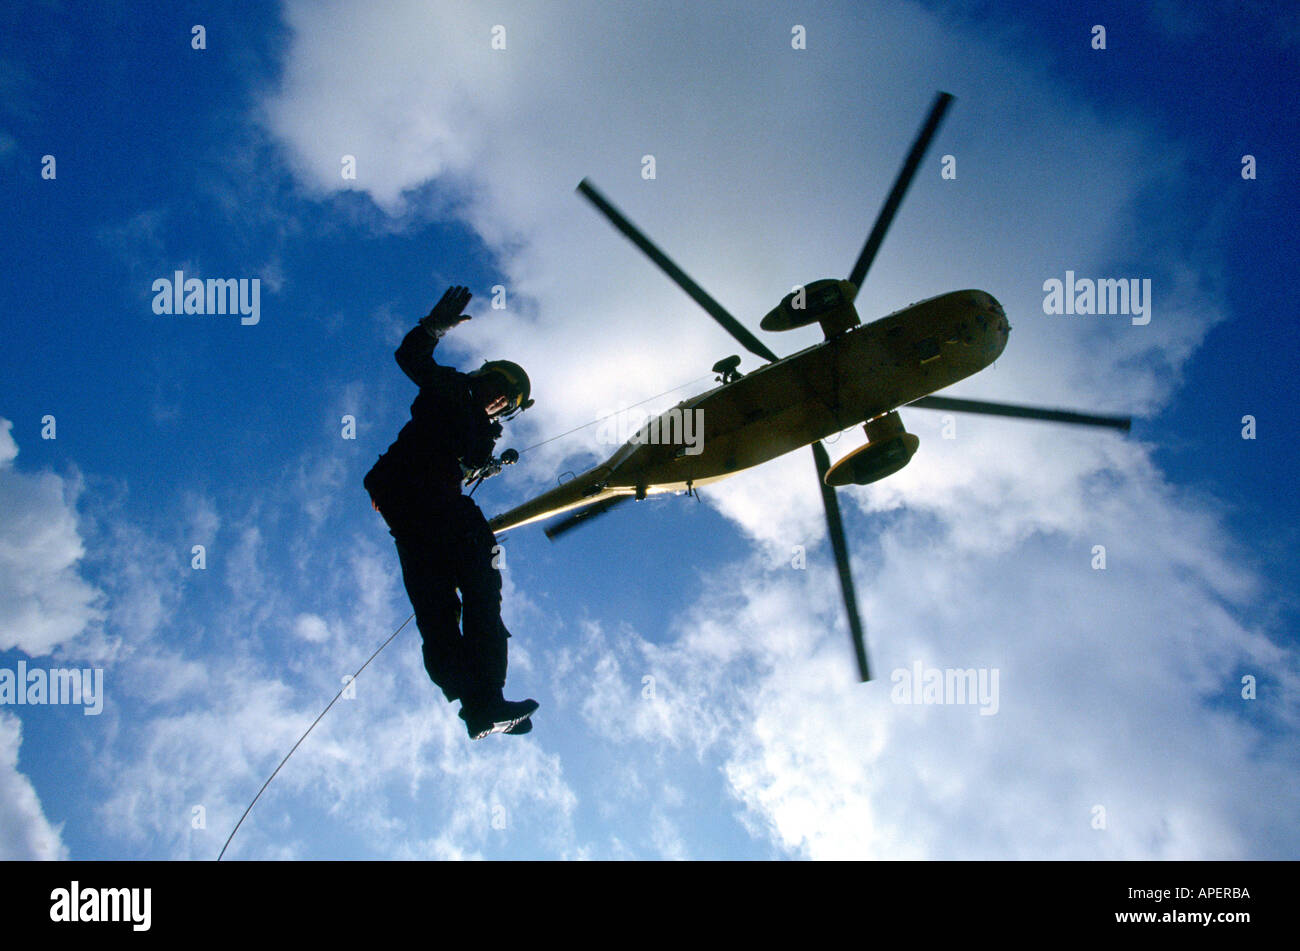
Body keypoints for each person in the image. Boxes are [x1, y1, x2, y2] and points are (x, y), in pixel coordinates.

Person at [364, 285, 537, 739]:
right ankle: (485, 699)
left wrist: (486, 462)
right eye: (499, 386)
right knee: (477, 585)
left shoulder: (480, 432)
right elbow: (411, 359)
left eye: (509, 401)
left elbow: (464, 457)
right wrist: (434, 327)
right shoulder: (453, 389)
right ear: (485, 377)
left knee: (441, 608)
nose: (500, 398)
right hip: (423, 499)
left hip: (412, 513)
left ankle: (481, 707)